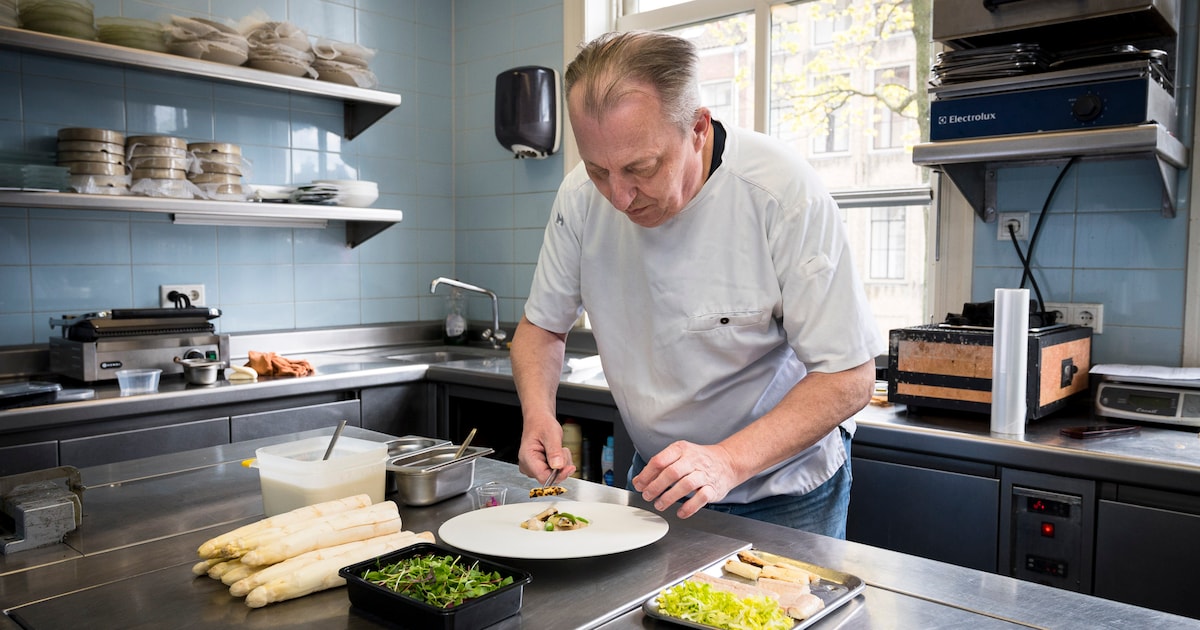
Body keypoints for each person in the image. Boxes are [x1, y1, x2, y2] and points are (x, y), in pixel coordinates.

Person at [511, 30, 885, 538]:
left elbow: (849, 376)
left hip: (783, 492)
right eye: (599, 170)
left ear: (698, 129)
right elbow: (542, 328)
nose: (619, 197)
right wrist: (538, 415)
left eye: (640, 168)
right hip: (659, 480)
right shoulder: (580, 197)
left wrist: (727, 461)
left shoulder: (780, 194)